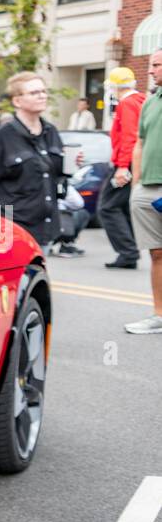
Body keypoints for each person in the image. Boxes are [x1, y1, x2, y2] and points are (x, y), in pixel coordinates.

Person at [0, 71, 63, 252]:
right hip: (11, 230)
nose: (42, 95)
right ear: (17, 101)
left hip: (44, 228)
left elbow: (54, 177)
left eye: (43, 91)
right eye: (34, 92)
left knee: (36, 279)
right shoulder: (1, 138)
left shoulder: (51, 132)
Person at [124, 49, 162, 334]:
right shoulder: (150, 102)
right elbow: (139, 142)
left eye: (157, 65)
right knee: (157, 255)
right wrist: (137, 183)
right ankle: (159, 315)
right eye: (151, 65)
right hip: (147, 188)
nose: (151, 71)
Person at [101, 65, 146, 269]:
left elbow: (129, 137)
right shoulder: (142, 101)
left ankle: (128, 252)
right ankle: (130, 250)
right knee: (120, 206)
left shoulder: (126, 104)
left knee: (107, 207)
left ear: (115, 87)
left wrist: (121, 167)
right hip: (135, 163)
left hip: (126, 163)